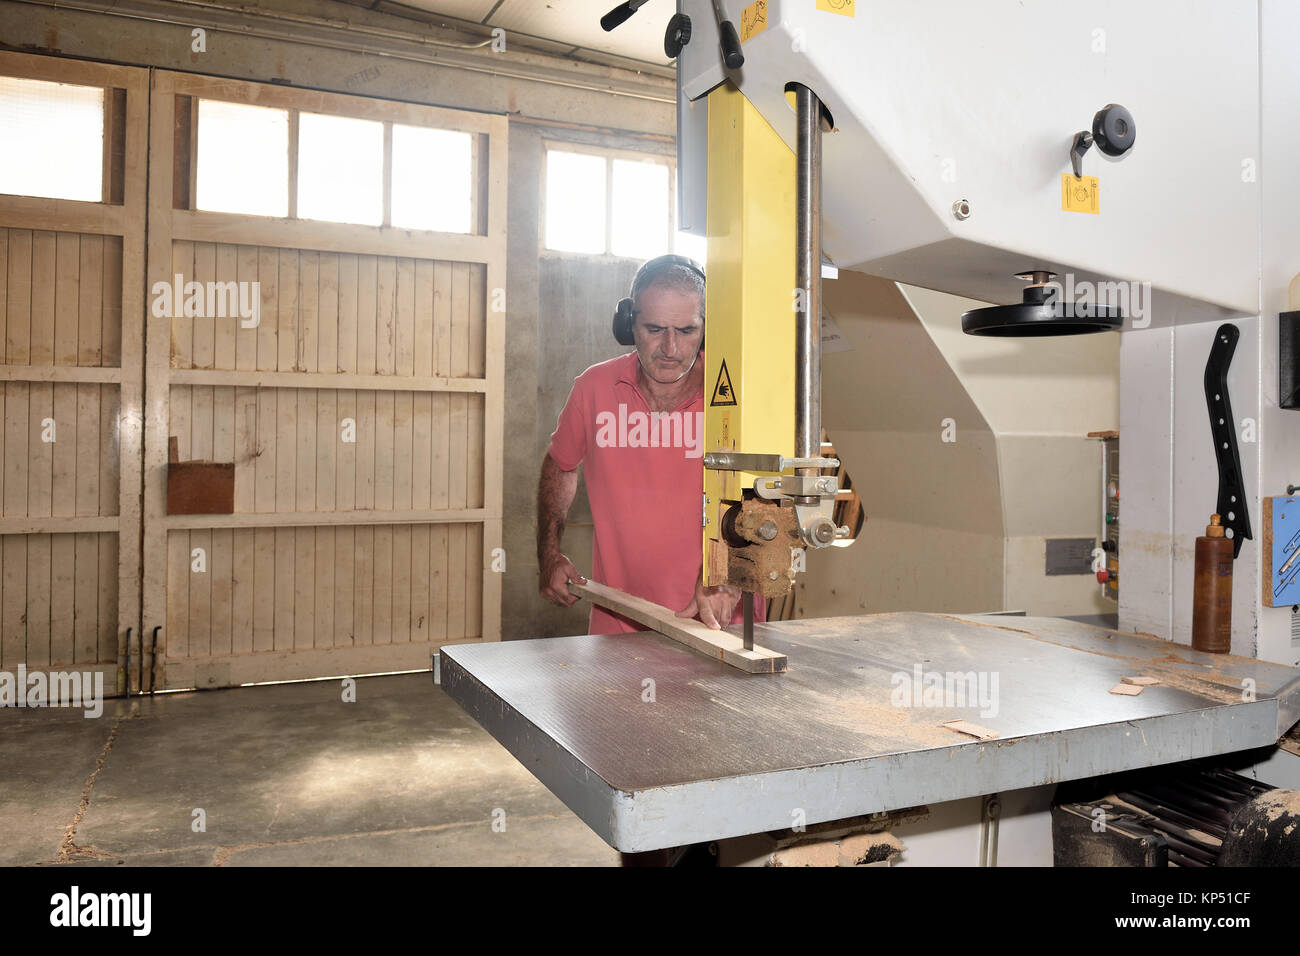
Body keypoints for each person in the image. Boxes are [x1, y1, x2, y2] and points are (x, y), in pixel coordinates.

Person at [537, 254, 762, 634]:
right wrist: (548, 553)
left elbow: (767, 497)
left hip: (720, 619)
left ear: (708, 329)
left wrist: (725, 575)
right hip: (621, 617)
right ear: (628, 325)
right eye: (654, 329)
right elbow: (561, 464)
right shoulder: (594, 390)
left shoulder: (739, 398)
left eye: (687, 330)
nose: (670, 348)